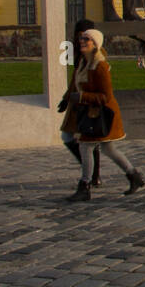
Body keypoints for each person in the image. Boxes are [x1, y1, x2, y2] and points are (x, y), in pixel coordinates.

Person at [65, 27, 145, 201]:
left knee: (86, 147)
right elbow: (76, 84)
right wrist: (69, 98)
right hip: (91, 112)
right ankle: (135, 177)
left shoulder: (100, 66)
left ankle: (85, 186)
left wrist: (82, 96)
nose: (82, 42)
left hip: (103, 115)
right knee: (108, 148)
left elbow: (105, 96)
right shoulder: (83, 62)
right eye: (81, 39)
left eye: (86, 39)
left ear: (95, 44)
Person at [58, 18, 102, 186]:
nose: (80, 39)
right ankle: (89, 171)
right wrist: (66, 98)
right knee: (68, 136)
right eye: (78, 36)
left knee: (92, 142)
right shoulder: (78, 52)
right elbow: (74, 79)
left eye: (84, 35)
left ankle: (93, 176)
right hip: (77, 100)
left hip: (89, 102)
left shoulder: (96, 54)